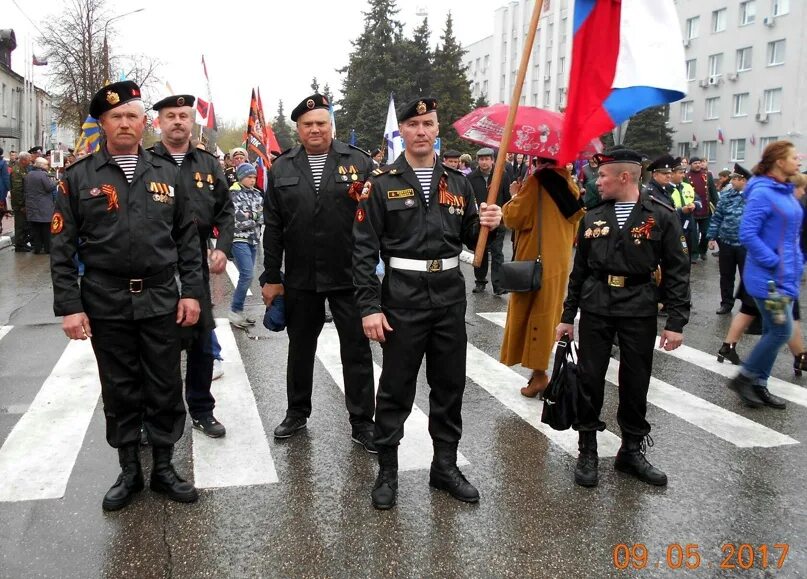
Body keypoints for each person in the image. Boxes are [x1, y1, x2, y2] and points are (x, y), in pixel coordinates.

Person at [50, 81, 203, 511]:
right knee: (119, 387)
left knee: (164, 383)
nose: (124, 124)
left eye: (131, 116)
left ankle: (164, 467)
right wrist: (70, 306)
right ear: (102, 123)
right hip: (105, 299)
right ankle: (129, 470)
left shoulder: (169, 174)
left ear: (143, 123)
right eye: (115, 117)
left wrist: (191, 292)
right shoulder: (78, 177)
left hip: (159, 298)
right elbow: (62, 249)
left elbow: (188, 240)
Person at [353, 97, 503, 510]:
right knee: (396, 387)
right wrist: (369, 307)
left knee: (450, 384)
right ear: (402, 130)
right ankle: (387, 470)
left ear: (438, 131)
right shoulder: (380, 183)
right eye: (414, 124)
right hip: (402, 295)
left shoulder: (458, 183)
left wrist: (488, 223)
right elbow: (363, 252)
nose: (422, 131)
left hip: (449, 296)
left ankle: (445, 466)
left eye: (429, 124)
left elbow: (473, 241)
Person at [556, 147, 690, 489]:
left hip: (639, 306)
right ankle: (587, 448)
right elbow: (580, 270)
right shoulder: (593, 215)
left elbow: (677, 270)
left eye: (603, 176)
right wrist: (568, 315)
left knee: (636, 380)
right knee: (589, 378)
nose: (597, 181)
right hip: (598, 304)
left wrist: (676, 322)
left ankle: (631, 450)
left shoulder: (660, 215)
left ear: (625, 177)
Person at [260, 93, 377, 450]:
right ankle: (297, 412)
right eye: (308, 124)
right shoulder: (282, 167)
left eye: (321, 123)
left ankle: (362, 421)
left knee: (356, 349)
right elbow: (273, 226)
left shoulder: (359, 163)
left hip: (348, 274)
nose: (315, 129)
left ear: (331, 126)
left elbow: (374, 221)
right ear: (298, 128)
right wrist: (271, 277)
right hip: (300, 276)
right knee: (300, 348)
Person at [149, 94, 235, 439]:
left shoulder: (207, 164)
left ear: (191, 121)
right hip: (154, 261)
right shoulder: (145, 161)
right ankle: (151, 415)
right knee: (155, 345)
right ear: (159, 122)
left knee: (200, 340)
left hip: (195, 259)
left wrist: (223, 249)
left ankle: (201, 409)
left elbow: (225, 211)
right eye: (170, 116)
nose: (178, 122)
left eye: (184, 115)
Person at [500, 158, 584, 398]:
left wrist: (514, 195)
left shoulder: (537, 181)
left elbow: (514, 218)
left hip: (535, 260)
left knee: (533, 315)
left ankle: (540, 376)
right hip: (558, 259)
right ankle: (541, 372)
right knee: (548, 314)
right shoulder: (570, 183)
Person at [728, 141, 802, 409]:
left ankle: (759, 384)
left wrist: (797, 262)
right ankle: (745, 377)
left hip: (787, 275)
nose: (799, 161)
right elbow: (748, 234)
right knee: (783, 330)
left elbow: (790, 235)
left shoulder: (784, 190)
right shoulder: (761, 192)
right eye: (794, 157)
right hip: (769, 279)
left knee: (774, 329)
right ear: (779, 162)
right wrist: (774, 261)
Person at [707, 164, 749, 315]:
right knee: (726, 275)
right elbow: (717, 218)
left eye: (735, 179)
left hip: (746, 245)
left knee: (747, 276)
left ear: (743, 180)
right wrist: (712, 237)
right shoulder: (726, 195)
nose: (732, 182)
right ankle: (726, 303)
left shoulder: (753, 197)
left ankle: (747, 306)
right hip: (726, 242)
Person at [469, 147, 511, 294]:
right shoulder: (471, 178)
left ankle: (498, 285)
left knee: (497, 252)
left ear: (493, 160)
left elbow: (507, 198)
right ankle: (480, 282)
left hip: (497, 219)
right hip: (479, 220)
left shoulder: (502, 176)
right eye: (481, 159)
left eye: (487, 159)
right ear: (477, 161)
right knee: (480, 250)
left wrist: (504, 217)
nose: (484, 162)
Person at [229, 163, 264, 327]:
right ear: (241, 177)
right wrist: (255, 217)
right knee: (247, 274)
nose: (252, 180)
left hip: (253, 239)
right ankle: (235, 310)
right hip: (238, 239)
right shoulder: (233, 194)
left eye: (254, 177)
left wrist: (253, 216)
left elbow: (262, 216)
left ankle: (240, 309)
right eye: (249, 177)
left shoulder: (257, 194)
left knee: (248, 276)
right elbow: (238, 220)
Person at [686, 156, 719, 261]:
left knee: (706, 232)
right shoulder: (686, 176)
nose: (697, 165)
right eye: (695, 163)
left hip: (706, 209)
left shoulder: (707, 175)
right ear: (690, 164)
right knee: (693, 234)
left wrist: (717, 204)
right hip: (692, 209)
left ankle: (702, 250)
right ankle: (694, 253)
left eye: (699, 163)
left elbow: (713, 191)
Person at [23, 156, 56, 254]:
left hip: (32, 205)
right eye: (46, 164)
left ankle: (37, 248)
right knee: (46, 229)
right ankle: (47, 249)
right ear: (41, 165)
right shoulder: (43, 175)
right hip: (44, 206)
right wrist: (55, 182)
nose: (48, 166)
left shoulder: (29, 174)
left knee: (35, 229)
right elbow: (49, 188)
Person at [669, 159, 700, 263]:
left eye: (684, 172)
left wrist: (694, 205)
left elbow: (699, 201)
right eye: (680, 173)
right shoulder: (665, 189)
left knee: (687, 257)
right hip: (674, 227)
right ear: (672, 174)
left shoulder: (687, 186)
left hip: (689, 227)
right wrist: (681, 210)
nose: (683, 175)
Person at [10, 151, 32, 251]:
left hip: (23, 202)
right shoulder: (17, 171)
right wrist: (21, 204)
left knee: (24, 224)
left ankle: (22, 242)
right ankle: (19, 245)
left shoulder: (23, 169)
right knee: (20, 224)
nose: (30, 162)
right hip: (19, 204)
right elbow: (17, 190)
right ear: (23, 160)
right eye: (29, 160)